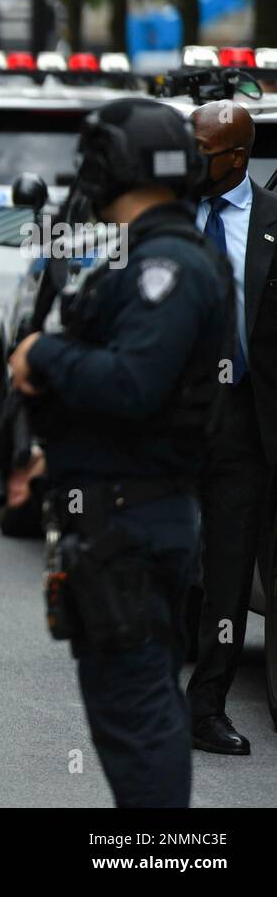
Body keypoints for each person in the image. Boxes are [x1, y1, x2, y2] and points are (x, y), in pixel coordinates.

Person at [4, 98, 231, 807]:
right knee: (137, 709)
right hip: (124, 512)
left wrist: (46, 354)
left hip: (133, 525)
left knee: (136, 717)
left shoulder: (168, 265)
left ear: (117, 166)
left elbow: (134, 383)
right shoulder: (143, 252)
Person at [185, 100, 277, 755]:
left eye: (202, 152)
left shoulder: (273, 222)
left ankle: (206, 707)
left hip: (244, 418)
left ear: (237, 158)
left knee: (228, 569)